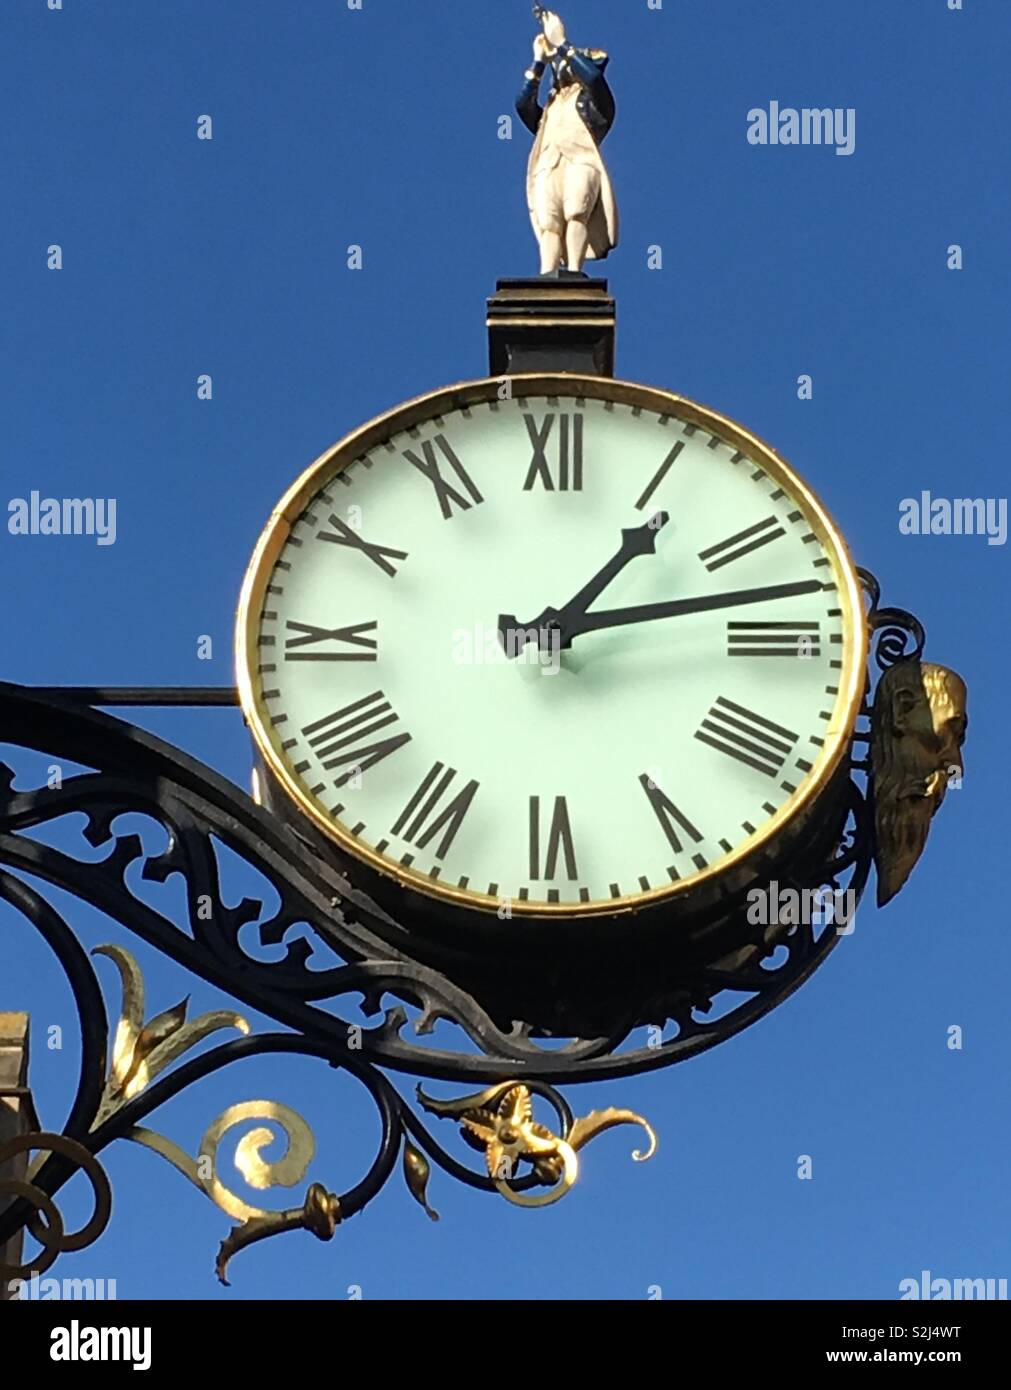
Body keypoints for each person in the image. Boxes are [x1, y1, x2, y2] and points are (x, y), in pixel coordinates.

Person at [516, 9, 619, 275]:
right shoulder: (551, 109)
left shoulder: (595, 104)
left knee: (576, 212)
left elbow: (594, 78)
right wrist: (538, 62)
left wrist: (562, 44)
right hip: (549, 163)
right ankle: (547, 272)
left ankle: (573, 269)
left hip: (580, 161)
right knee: (549, 223)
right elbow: (523, 106)